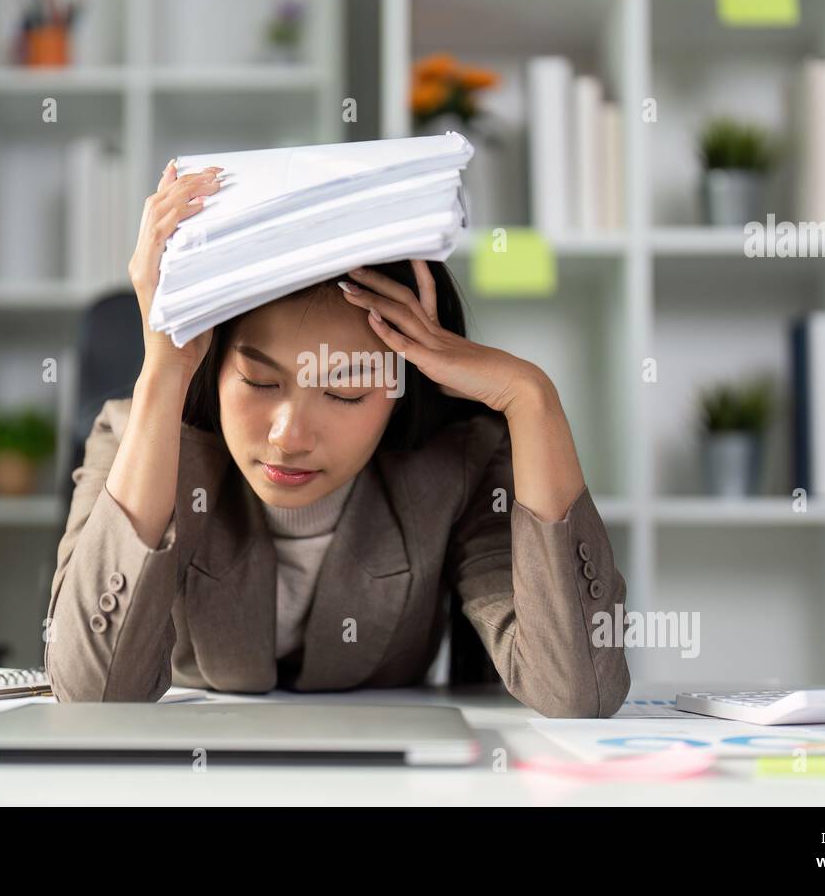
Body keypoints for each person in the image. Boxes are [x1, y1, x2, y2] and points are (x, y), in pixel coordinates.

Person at [44, 158, 630, 717]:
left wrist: (530, 396)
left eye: (346, 391)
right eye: (259, 380)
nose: (289, 435)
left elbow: (577, 691)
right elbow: (93, 695)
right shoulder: (137, 436)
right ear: (216, 363)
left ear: (405, 384)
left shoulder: (457, 464)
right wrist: (164, 369)